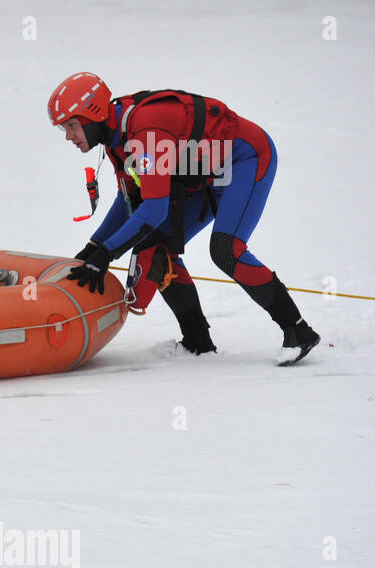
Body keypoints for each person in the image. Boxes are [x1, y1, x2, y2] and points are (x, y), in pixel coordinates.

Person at [49, 72, 321, 365]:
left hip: (245, 158)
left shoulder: (145, 131)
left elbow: (154, 209)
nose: (69, 137)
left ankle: (298, 330)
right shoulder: (116, 138)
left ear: (94, 115)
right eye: (65, 128)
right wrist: (91, 249)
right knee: (158, 251)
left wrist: (105, 254)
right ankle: (197, 342)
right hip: (204, 175)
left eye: (72, 126)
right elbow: (128, 200)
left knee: (226, 250)